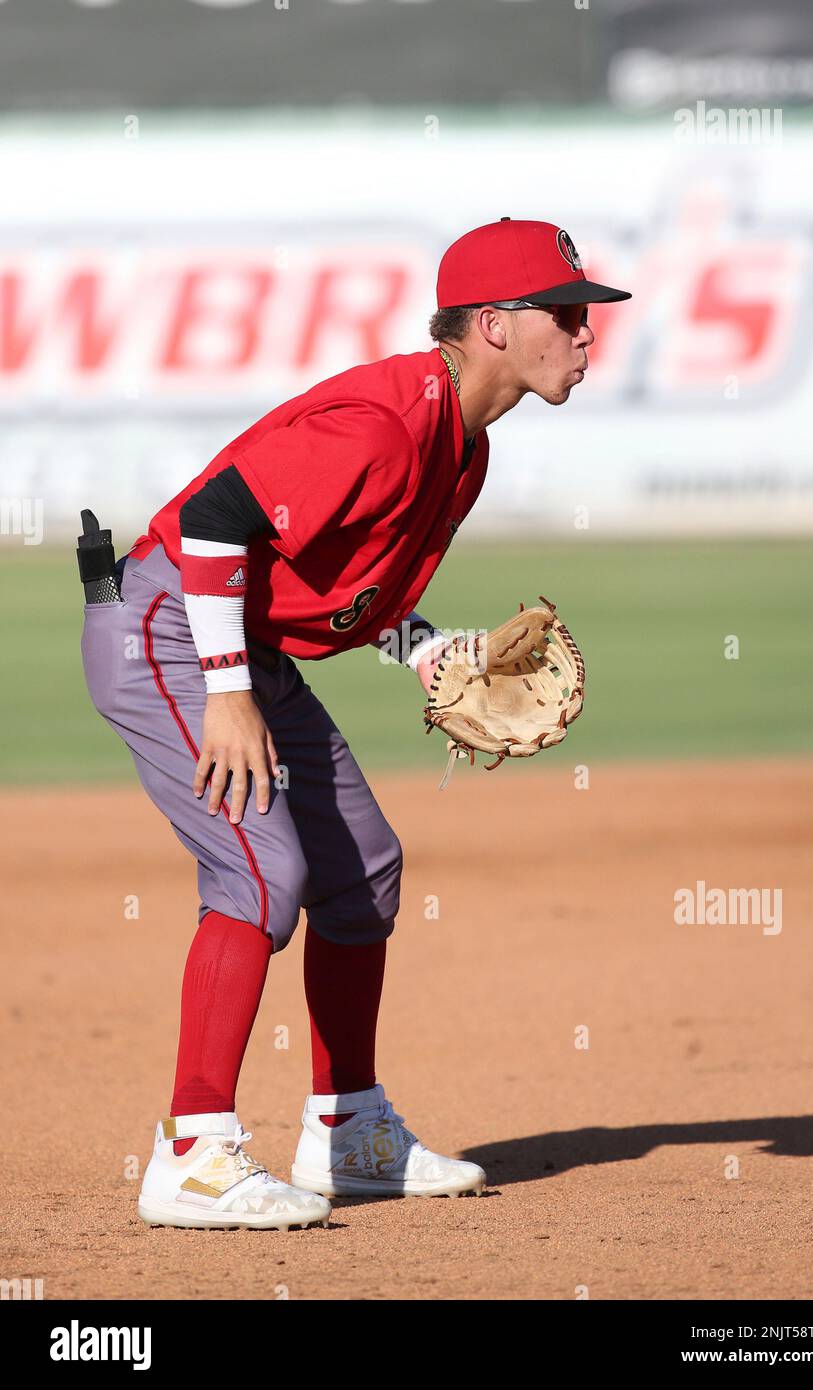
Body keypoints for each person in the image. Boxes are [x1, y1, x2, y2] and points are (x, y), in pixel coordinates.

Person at [81, 217, 630, 1230]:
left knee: (363, 867)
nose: (586, 335)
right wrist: (229, 693)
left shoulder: (462, 450)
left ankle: (349, 1127)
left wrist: (428, 653)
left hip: (235, 640)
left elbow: (341, 587)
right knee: (258, 871)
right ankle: (193, 1153)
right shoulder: (384, 422)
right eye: (567, 314)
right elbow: (211, 521)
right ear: (495, 326)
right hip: (158, 624)